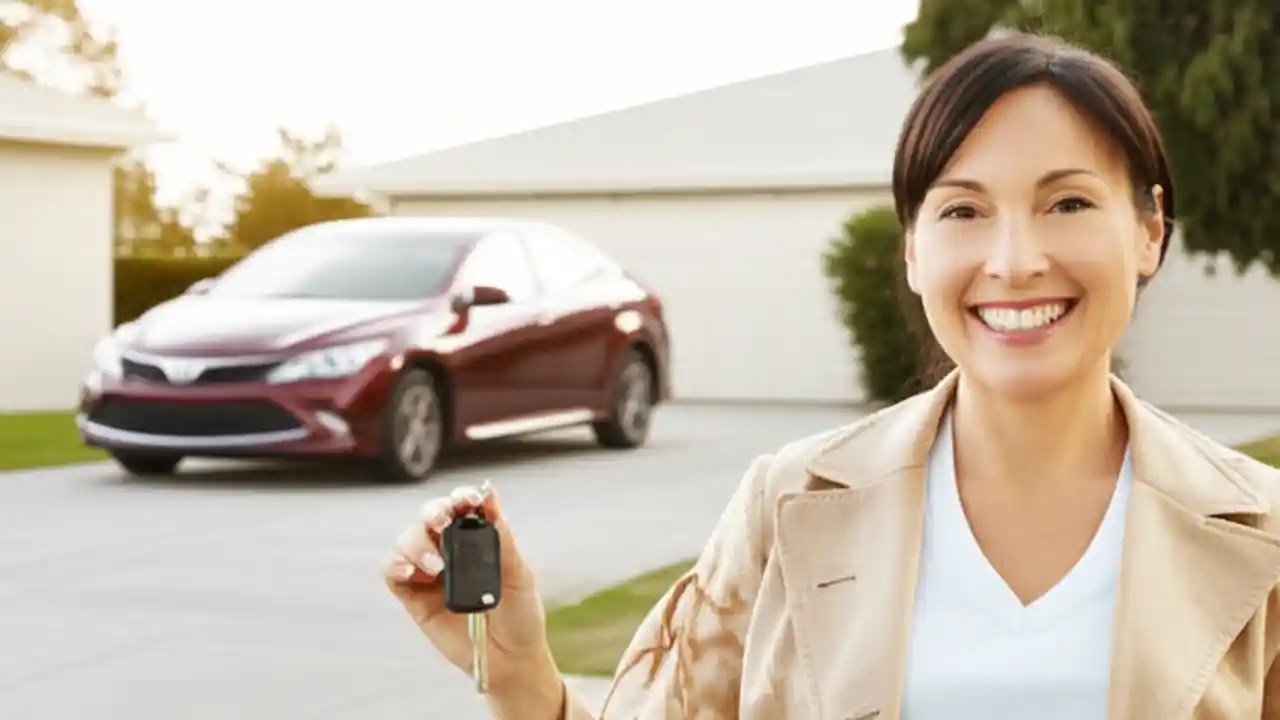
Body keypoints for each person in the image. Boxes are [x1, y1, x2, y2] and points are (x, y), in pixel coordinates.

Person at [382, 32, 1280, 719]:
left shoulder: (1263, 537)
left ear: (1150, 230)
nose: (1015, 259)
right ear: (914, 253)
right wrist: (521, 674)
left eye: (1069, 203)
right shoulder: (788, 505)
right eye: (964, 210)